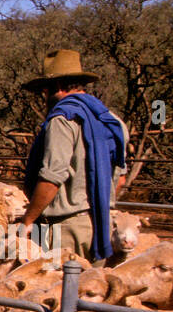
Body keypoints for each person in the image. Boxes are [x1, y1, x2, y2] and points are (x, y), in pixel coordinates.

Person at [16, 48, 128, 263]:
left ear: (57, 87)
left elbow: (52, 178)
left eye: (44, 91)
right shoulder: (112, 121)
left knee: (57, 290)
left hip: (66, 228)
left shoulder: (63, 120)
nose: (44, 97)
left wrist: (28, 220)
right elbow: (120, 178)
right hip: (101, 224)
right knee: (88, 291)